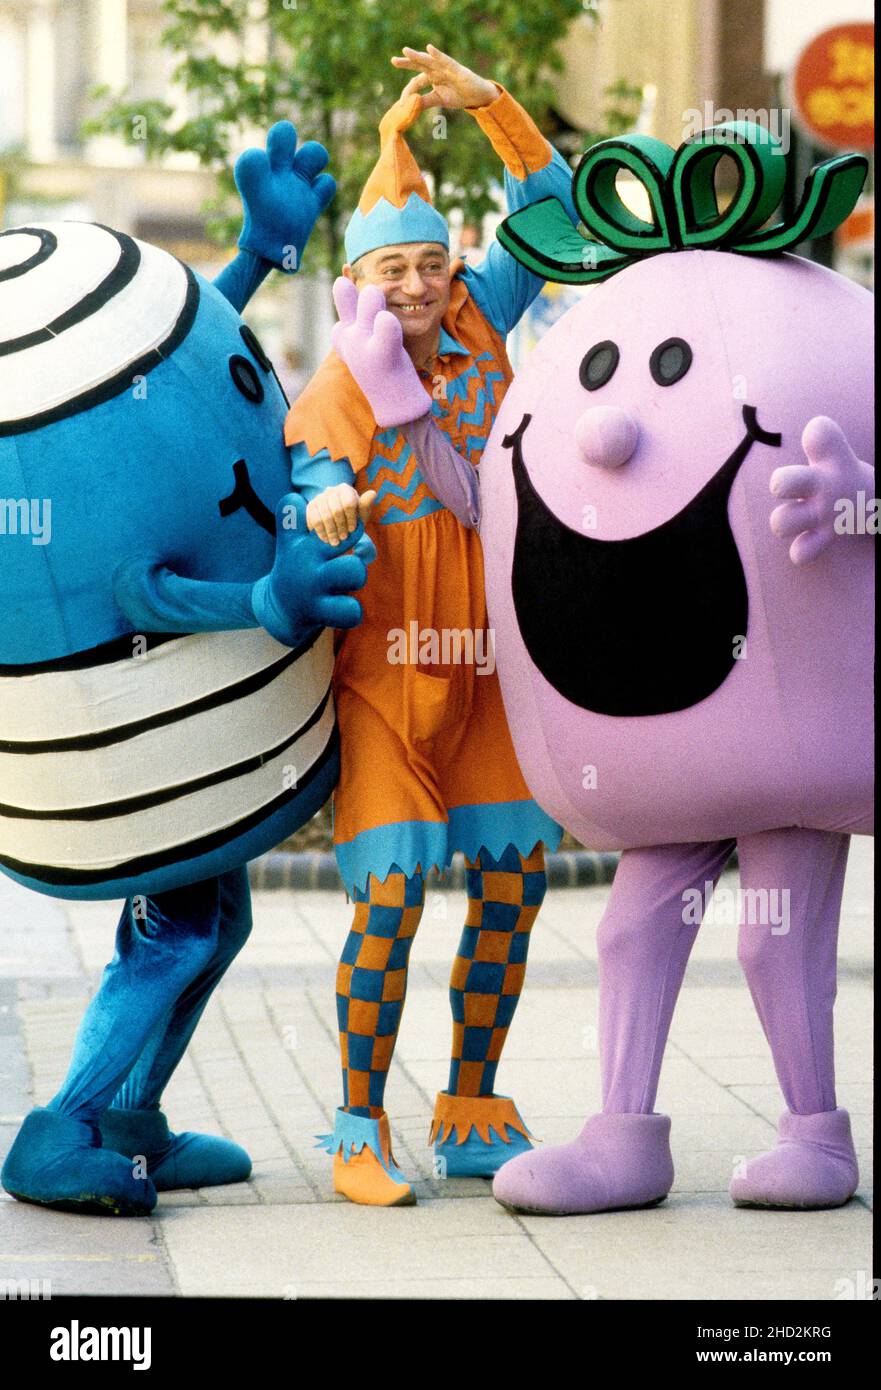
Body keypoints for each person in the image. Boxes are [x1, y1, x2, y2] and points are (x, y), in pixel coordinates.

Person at [287, 45, 579, 1206]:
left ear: (450, 266)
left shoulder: (484, 321)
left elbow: (553, 217)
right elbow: (310, 481)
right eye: (390, 270)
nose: (413, 288)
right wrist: (325, 504)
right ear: (359, 281)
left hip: (493, 674)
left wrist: (492, 107)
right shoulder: (340, 385)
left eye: (427, 264)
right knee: (391, 898)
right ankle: (359, 1127)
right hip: (387, 680)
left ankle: (469, 1106)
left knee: (513, 887)